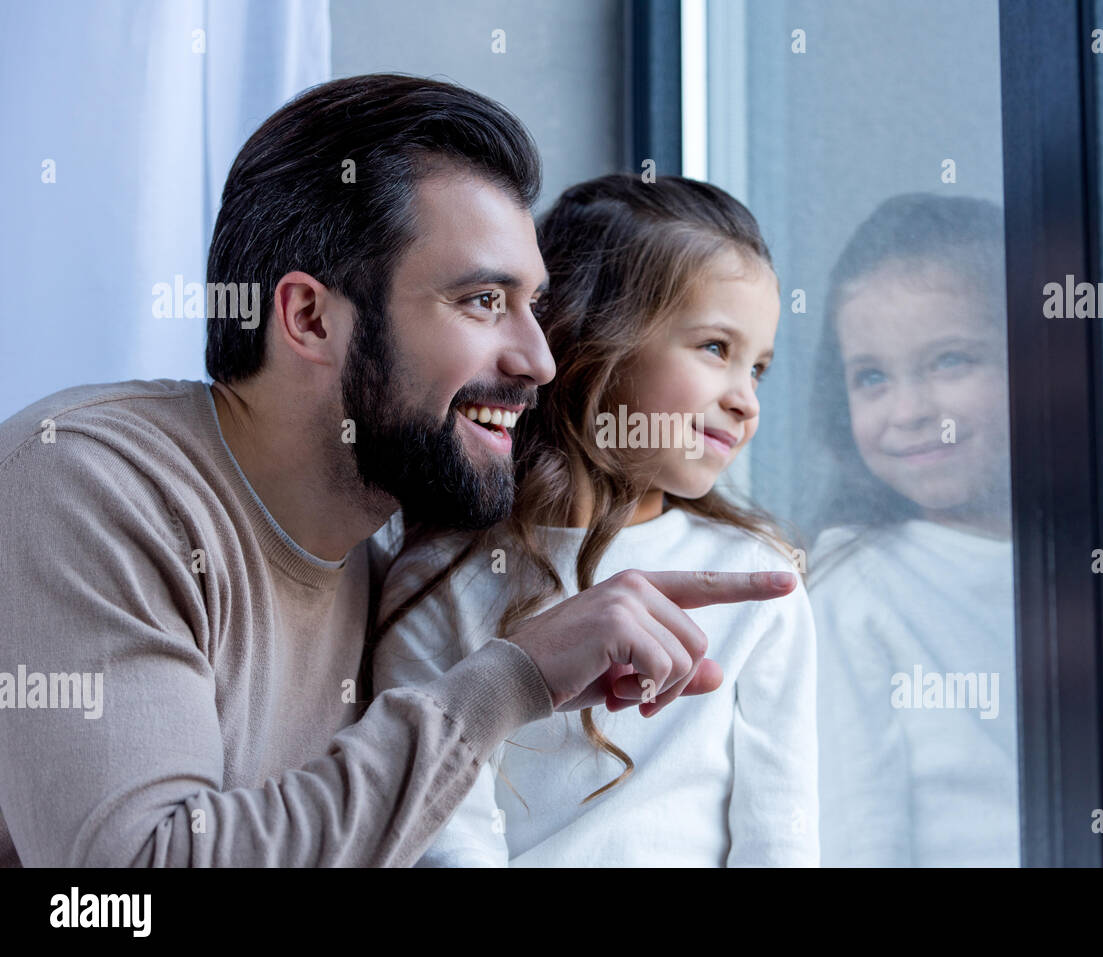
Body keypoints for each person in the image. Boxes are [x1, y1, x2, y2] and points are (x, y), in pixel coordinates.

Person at [0, 74, 794, 867]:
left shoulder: (394, 567)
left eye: (534, 305)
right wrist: (511, 681)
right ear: (311, 318)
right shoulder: (83, 483)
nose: (541, 360)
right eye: (484, 301)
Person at [372, 173, 818, 867]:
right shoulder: (440, 576)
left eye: (758, 367)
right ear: (585, 342)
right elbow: (445, 835)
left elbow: (780, 832)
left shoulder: (758, 584)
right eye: (715, 348)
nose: (745, 399)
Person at [807, 193, 1019, 866]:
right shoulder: (852, 586)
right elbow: (858, 835)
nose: (910, 411)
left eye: (951, 361)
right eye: (872, 377)